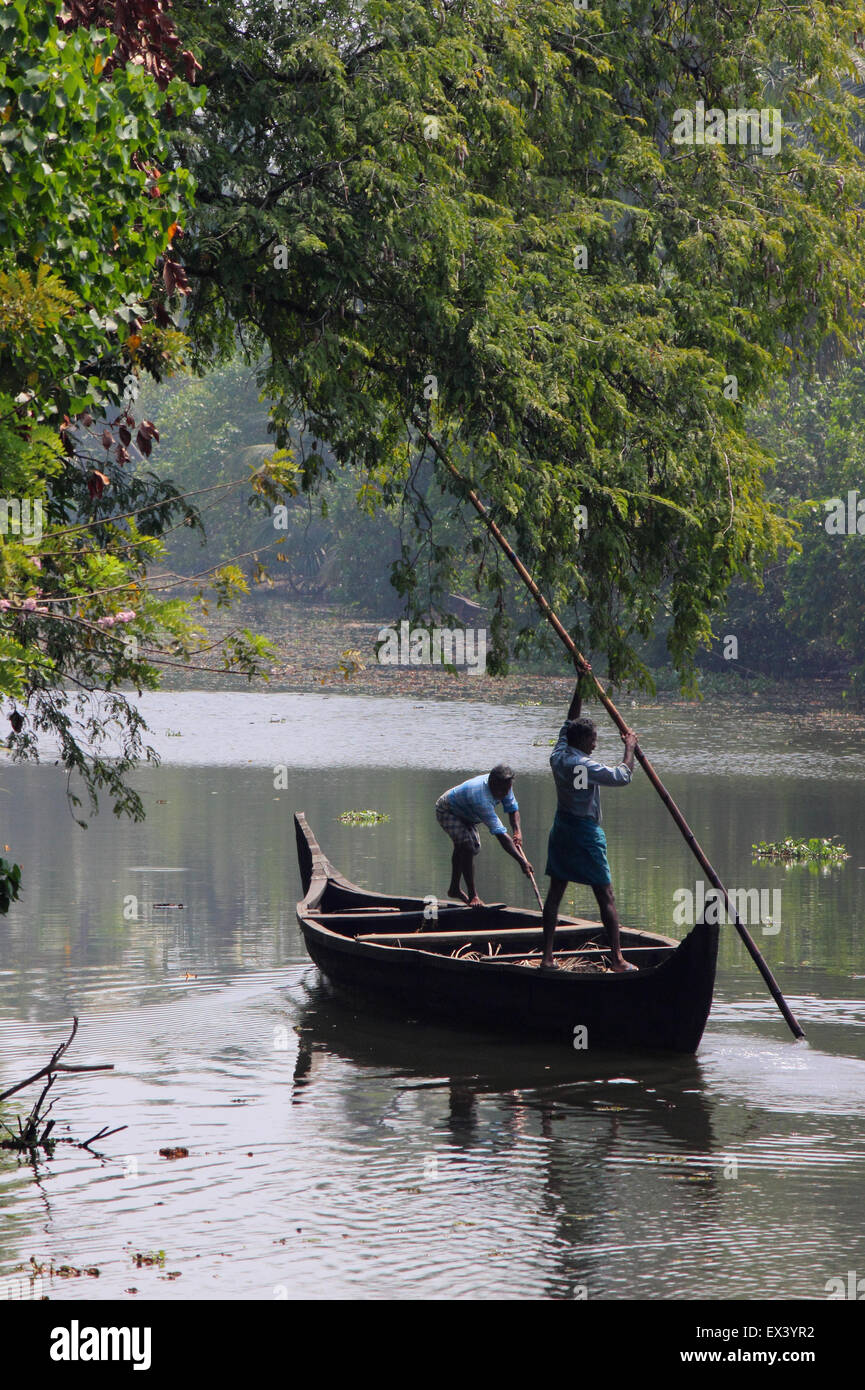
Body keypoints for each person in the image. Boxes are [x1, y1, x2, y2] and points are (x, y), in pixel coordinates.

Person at [541, 665, 638, 971]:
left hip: (561, 829)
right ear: (583, 741)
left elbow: (569, 721)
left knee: (555, 894)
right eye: (593, 739)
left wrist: (580, 685)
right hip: (583, 832)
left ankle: (546, 958)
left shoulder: (559, 752)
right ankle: (618, 959)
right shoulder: (585, 764)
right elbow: (622, 776)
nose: (596, 744)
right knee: (605, 894)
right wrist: (629, 747)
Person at [436, 764, 533, 907]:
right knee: (467, 847)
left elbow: (513, 809)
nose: (507, 793)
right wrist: (521, 861)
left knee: (466, 846)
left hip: (467, 814)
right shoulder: (480, 798)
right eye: (504, 789)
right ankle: (473, 895)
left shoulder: (505, 786)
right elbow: (500, 835)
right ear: (493, 784)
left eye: (509, 788)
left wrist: (517, 832)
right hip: (448, 810)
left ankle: (454, 888)